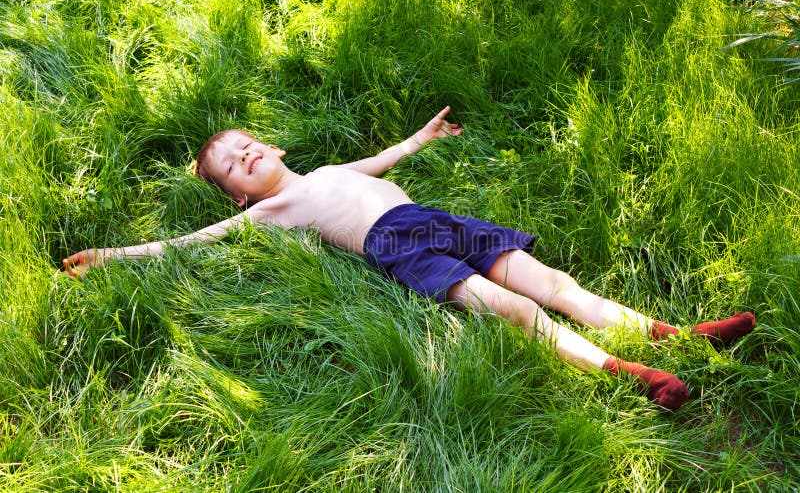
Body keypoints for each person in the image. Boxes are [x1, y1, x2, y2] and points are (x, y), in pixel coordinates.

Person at [63, 106, 756, 410]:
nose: (244, 159)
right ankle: (635, 374)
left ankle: (676, 336)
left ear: (272, 146)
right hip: (396, 246)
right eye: (232, 169)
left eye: (246, 148)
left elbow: (383, 160)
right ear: (241, 196)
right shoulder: (271, 211)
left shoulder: (327, 170)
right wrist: (113, 255)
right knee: (514, 309)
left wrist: (422, 138)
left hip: (434, 221)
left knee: (554, 282)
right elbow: (184, 243)